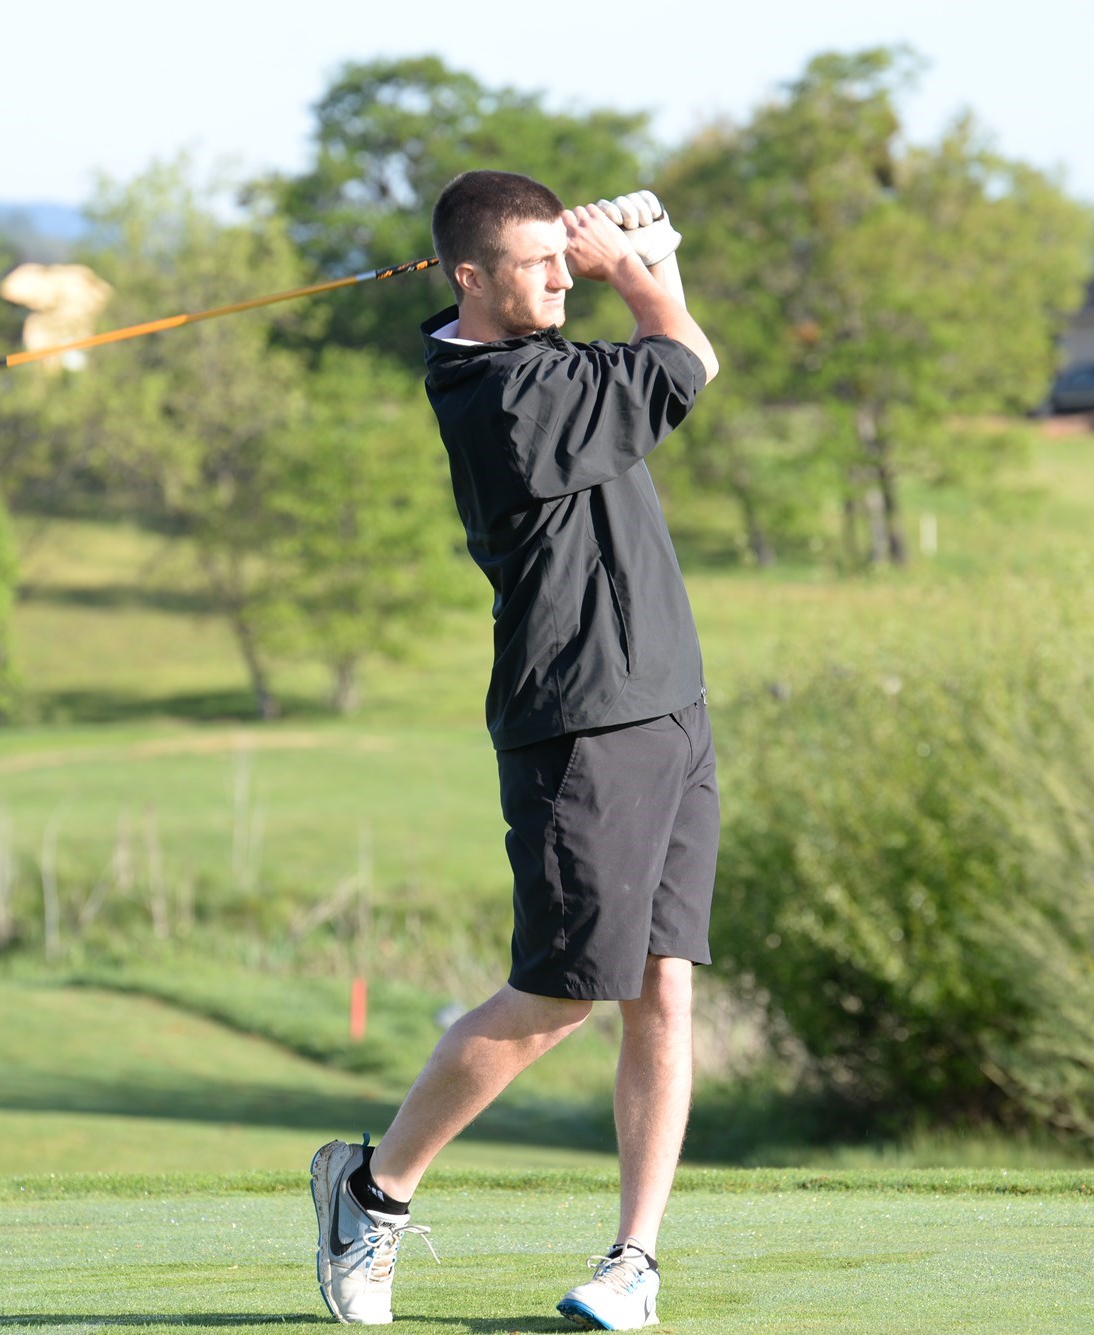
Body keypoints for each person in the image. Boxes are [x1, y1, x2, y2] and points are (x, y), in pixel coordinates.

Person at [310, 169, 720, 1330]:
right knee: (558, 995)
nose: (559, 280)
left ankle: (631, 1264)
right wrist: (632, 266)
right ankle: (371, 1190)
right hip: (579, 723)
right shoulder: (499, 396)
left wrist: (650, 253)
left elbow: (667, 342)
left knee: (660, 990)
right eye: (537, 266)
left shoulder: (545, 361)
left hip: (670, 706)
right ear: (469, 278)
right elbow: (684, 358)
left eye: (562, 260)